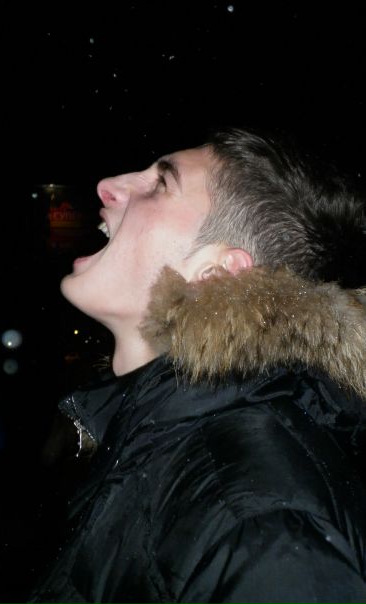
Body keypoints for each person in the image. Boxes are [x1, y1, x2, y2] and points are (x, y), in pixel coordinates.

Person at [28, 127, 366, 603]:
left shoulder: (257, 518)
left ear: (214, 274)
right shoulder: (169, 439)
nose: (108, 185)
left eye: (161, 184)